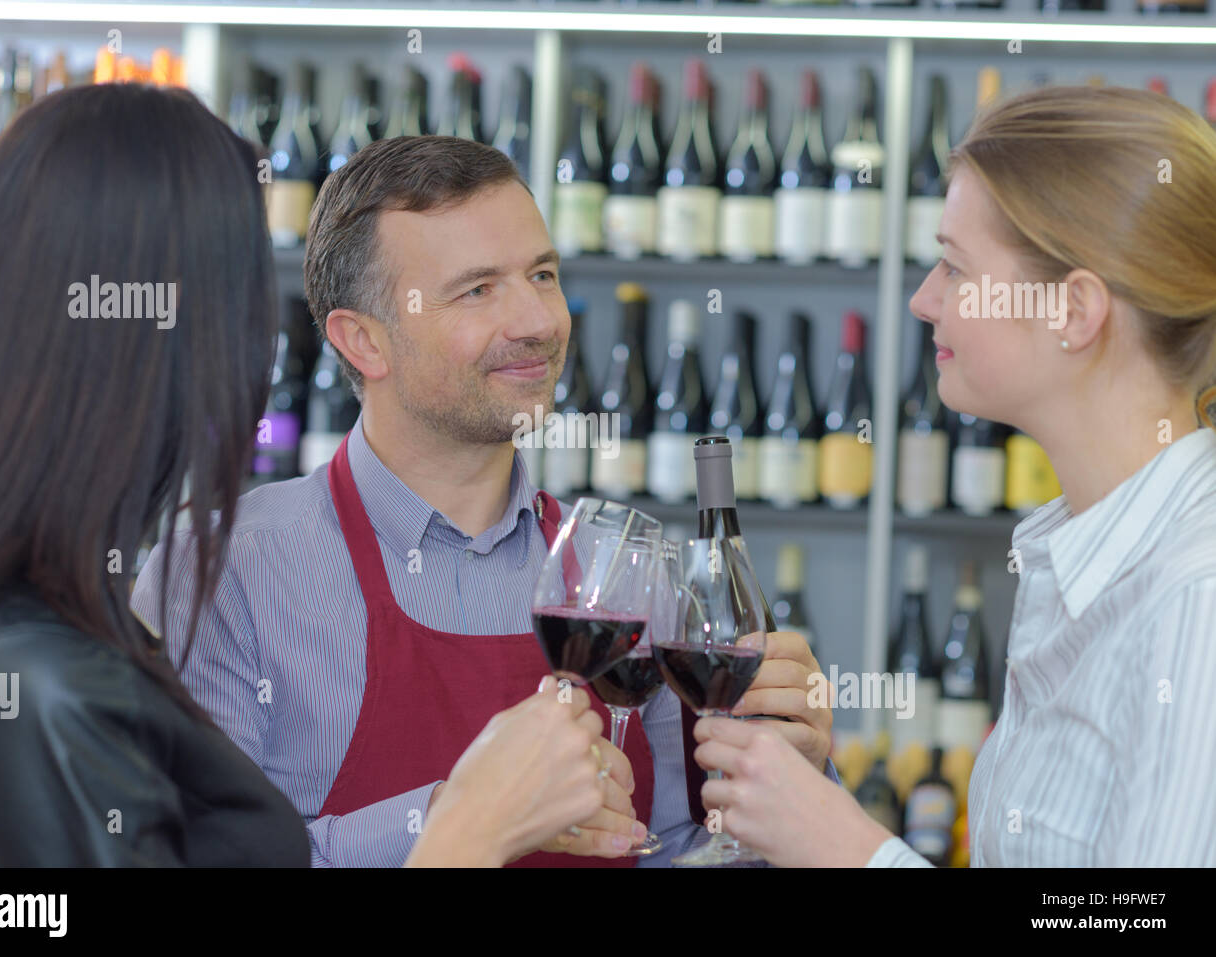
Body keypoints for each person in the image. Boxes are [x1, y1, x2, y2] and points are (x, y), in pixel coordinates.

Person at [0, 83, 609, 867]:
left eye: (543, 276)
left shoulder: (50, 625)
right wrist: (464, 826)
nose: (256, 351)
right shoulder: (37, 679)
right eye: (241, 301)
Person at [132, 133, 839, 867]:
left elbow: (680, 848)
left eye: (541, 274)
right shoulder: (223, 570)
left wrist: (789, 779)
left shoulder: (620, 570)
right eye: (478, 289)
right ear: (363, 341)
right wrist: (455, 814)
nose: (538, 321)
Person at [690, 85, 1216, 867]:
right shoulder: (1077, 555)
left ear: (1072, 311)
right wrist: (813, 800)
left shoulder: (1192, 596)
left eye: (955, 267)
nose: (923, 299)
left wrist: (854, 852)